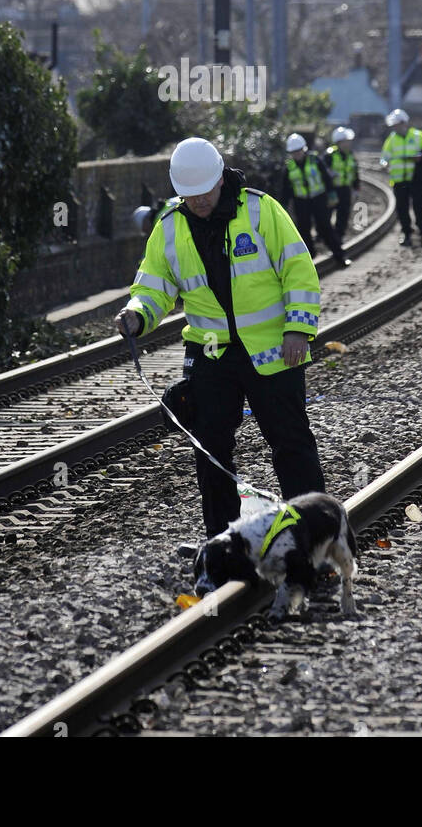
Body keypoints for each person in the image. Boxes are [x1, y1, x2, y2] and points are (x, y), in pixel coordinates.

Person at [114, 137, 326, 589]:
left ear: (221, 178)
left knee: (290, 443)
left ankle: (313, 545)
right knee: (210, 446)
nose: (200, 201)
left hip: (273, 351)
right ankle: (224, 545)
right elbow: (154, 285)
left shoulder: (262, 210)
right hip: (211, 353)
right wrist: (137, 313)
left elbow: (299, 270)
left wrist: (297, 330)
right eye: (191, 195)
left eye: (206, 191)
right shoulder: (170, 227)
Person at [281, 133, 350, 267]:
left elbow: (326, 178)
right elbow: (285, 189)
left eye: (298, 151)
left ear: (304, 149)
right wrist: (283, 206)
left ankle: (340, 257)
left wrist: (332, 195)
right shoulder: (288, 168)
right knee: (303, 231)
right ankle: (310, 260)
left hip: (319, 199)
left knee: (325, 228)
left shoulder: (316, 161)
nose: (297, 154)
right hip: (301, 202)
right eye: (294, 152)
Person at [380, 108, 422, 247]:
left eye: (397, 124)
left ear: (404, 123)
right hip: (399, 181)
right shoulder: (392, 139)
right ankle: (406, 234)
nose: (395, 127)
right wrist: (384, 163)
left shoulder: (418, 135)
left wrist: (421, 156)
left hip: (417, 180)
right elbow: (384, 157)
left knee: (420, 209)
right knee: (402, 209)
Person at [324, 126, 359, 243]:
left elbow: (355, 173)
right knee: (327, 214)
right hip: (332, 190)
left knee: (343, 214)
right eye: (345, 142)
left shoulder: (350, 155)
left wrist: (356, 189)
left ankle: (339, 236)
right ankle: (326, 236)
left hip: (345, 190)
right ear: (339, 142)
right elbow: (324, 172)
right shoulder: (329, 155)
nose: (348, 144)